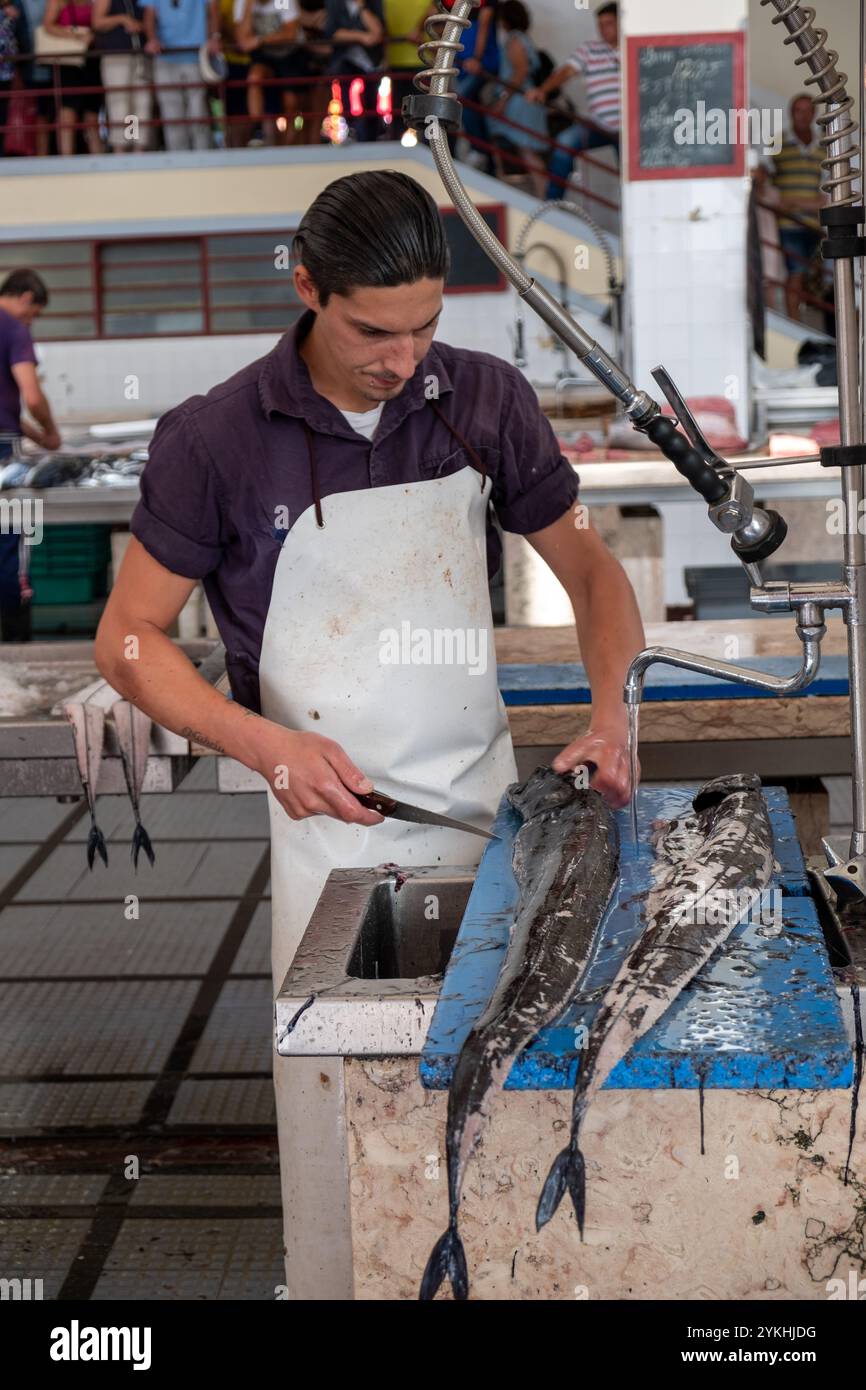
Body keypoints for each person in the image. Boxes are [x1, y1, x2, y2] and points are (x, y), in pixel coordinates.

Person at [92, 169, 645, 1293]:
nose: (404, 359)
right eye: (372, 331)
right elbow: (130, 642)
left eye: (426, 326)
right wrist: (264, 744)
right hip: (329, 842)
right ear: (305, 288)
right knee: (351, 1149)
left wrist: (610, 714)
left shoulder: (481, 397)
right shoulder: (213, 439)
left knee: (502, 1122)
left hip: (481, 822)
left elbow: (588, 566)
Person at [0, 270, 60, 642]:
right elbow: (32, 396)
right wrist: (51, 432)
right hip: (3, 449)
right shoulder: (13, 329)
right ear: (24, 297)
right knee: (10, 536)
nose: (30, 320)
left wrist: (36, 434)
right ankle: (14, 639)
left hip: (9, 431)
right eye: (33, 312)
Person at [527, 0, 620, 200]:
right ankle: (552, 204)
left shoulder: (632, 47)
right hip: (599, 124)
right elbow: (567, 71)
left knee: (630, 172)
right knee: (564, 142)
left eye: (609, 23)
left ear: (621, 23)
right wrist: (542, 90)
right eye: (600, 24)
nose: (604, 29)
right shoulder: (589, 49)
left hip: (629, 129)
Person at [770, 93, 824, 321]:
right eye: (798, 110)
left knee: (817, 278)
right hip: (787, 224)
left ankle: (800, 324)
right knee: (795, 273)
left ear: (815, 114)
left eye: (807, 110)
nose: (803, 115)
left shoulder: (824, 146)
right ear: (791, 113)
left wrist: (794, 202)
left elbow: (826, 197)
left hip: (814, 224)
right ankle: (794, 324)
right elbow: (767, 184)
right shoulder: (777, 143)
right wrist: (800, 204)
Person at [485, 0, 547, 197]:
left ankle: (543, 195)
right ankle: (540, 194)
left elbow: (520, 72)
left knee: (527, 152)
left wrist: (503, 99)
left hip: (520, 102)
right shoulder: (524, 38)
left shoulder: (514, 40)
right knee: (524, 152)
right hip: (525, 100)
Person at [143, 0, 220, 150]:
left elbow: (214, 9)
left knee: (198, 112)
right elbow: (149, 15)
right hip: (165, 57)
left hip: (196, 55)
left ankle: (203, 158)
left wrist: (215, 37)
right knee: (171, 114)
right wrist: (152, 39)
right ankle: (177, 158)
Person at [42, 0, 104, 155]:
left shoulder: (95, 1)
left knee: (92, 114)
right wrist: (75, 35)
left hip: (92, 60)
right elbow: (48, 26)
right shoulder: (58, 1)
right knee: (67, 113)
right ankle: (66, 158)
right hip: (68, 62)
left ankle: (97, 156)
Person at [236, 0, 300, 146]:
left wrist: (260, 40)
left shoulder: (281, 2)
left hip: (289, 55)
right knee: (254, 77)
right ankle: (257, 130)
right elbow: (243, 41)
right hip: (263, 56)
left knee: (291, 102)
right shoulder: (244, 3)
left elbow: (290, 33)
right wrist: (248, 7)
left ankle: (289, 147)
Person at [90, 0, 152, 152]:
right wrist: (122, 19)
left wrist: (140, 26)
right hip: (116, 56)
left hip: (139, 56)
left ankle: (138, 147)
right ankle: (121, 148)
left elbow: (150, 21)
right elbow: (97, 22)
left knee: (141, 102)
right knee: (119, 103)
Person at [324, 0, 383, 143]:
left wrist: (362, 7)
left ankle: (371, 137)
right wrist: (362, 37)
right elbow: (332, 32)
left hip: (370, 62)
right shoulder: (334, 3)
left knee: (371, 103)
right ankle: (350, 132)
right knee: (345, 99)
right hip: (344, 61)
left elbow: (377, 32)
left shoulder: (373, 3)